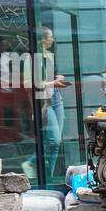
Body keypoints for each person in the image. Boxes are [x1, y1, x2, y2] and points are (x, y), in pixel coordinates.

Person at [35, 26, 70, 181]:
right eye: (51, 37)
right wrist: (53, 83)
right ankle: (38, 169)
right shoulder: (34, 58)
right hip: (45, 100)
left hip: (56, 97)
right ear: (43, 39)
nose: (53, 40)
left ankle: (48, 174)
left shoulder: (49, 55)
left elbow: (49, 78)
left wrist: (57, 78)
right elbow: (34, 83)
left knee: (56, 142)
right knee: (53, 139)